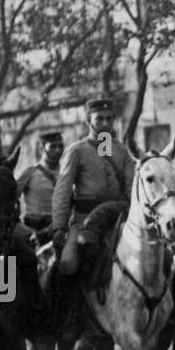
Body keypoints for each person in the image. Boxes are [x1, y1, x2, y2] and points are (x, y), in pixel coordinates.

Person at [50, 97, 137, 281]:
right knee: (68, 263)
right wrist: (59, 225)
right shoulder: (77, 151)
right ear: (88, 120)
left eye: (109, 118)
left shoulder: (122, 151)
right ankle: (68, 309)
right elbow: (62, 191)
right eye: (99, 119)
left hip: (118, 218)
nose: (105, 123)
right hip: (84, 220)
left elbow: (132, 188)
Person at [17, 130, 63, 242]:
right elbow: (10, 197)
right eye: (52, 147)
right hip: (33, 229)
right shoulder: (30, 173)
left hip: (58, 228)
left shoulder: (67, 173)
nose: (58, 150)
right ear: (42, 149)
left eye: (60, 146)